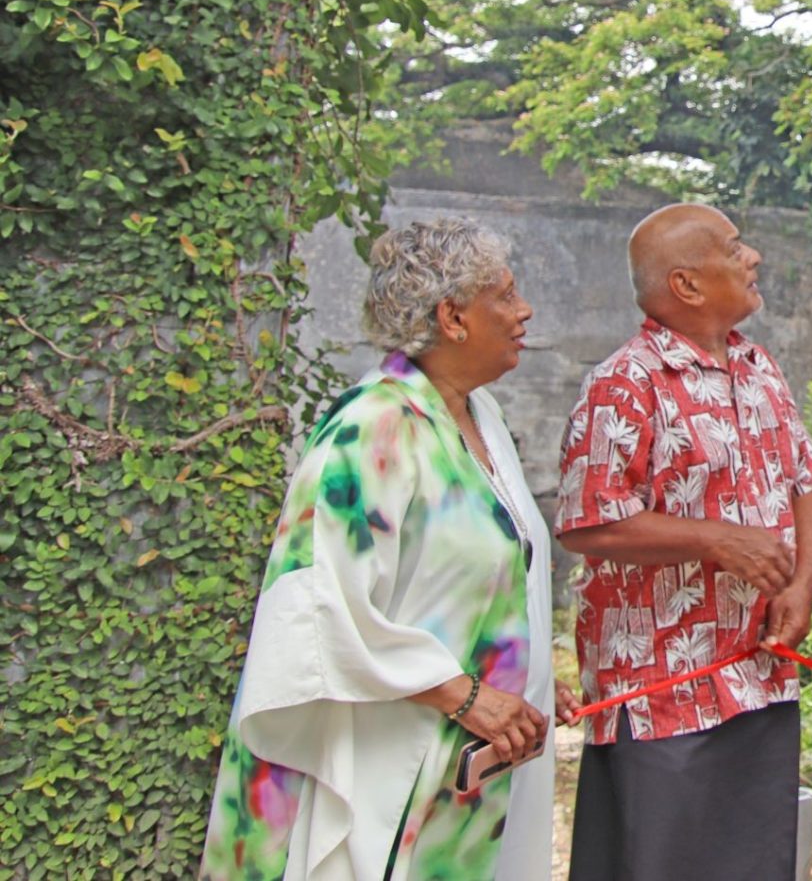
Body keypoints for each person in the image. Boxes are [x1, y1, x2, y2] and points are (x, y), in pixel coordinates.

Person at [199, 218, 577, 880]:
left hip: (486, 764)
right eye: (507, 296)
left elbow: (490, 576)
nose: (525, 312)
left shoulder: (479, 417)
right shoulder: (372, 426)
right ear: (453, 317)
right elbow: (319, 606)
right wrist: (468, 697)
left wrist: (535, 674)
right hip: (396, 761)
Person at [555, 203, 812, 881]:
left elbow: (805, 482)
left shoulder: (759, 368)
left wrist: (801, 588)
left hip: (759, 679)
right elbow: (589, 523)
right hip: (661, 695)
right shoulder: (625, 383)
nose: (753, 258)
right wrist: (716, 541)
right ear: (686, 285)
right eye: (735, 249)